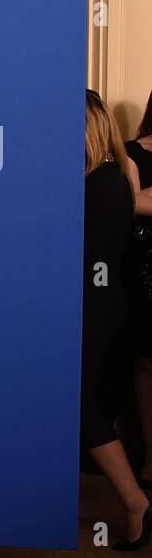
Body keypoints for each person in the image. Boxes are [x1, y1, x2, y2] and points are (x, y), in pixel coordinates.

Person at [82, 88, 150, 551]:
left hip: (94, 307)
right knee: (83, 405)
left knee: (81, 407)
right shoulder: (116, 173)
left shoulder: (95, 182)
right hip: (107, 306)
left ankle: (133, 500)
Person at [120, 91, 152, 489]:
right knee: (145, 362)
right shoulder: (128, 151)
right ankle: (145, 453)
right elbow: (130, 203)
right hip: (140, 269)